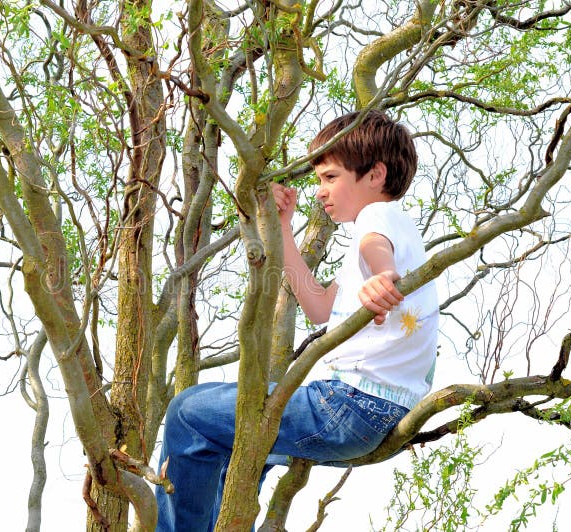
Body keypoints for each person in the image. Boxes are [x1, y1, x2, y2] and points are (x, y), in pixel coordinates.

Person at [155, 110, 439, 532]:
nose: (321, 192)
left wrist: (382, 274)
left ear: (375, 174)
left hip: (349, 406)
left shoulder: (378, 219)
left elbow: (375, 248)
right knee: (233, 448)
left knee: (186, 411)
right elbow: (320, 308)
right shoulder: (397, 231)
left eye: (330, 177)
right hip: (379, 413)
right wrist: (283, 228)